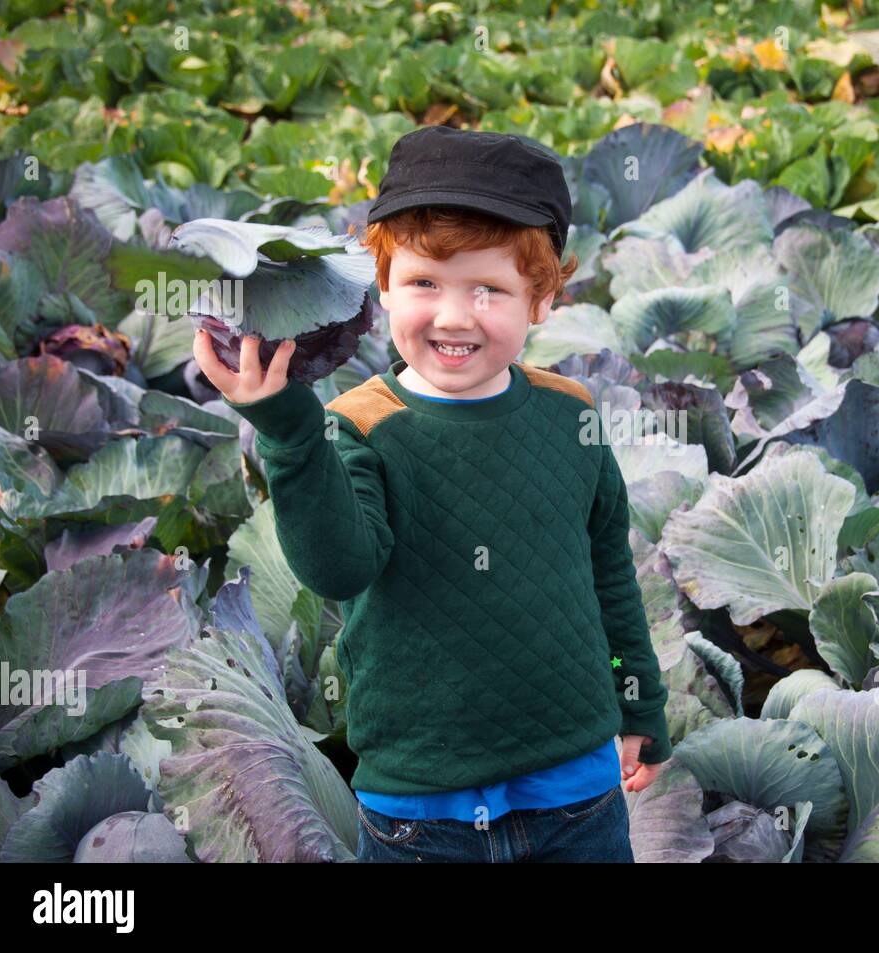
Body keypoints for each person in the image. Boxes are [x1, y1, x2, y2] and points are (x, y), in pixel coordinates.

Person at [193, 126, 671, 862]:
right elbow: (337, 567)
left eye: (490, 289)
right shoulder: (359, 426)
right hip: (422, 813)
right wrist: (289, 429)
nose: (453, 315)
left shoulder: (570, 413)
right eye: (424, 283)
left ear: (541, 299)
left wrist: (639, 702)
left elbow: (610, 573)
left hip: (578, 794)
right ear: (380, 285)